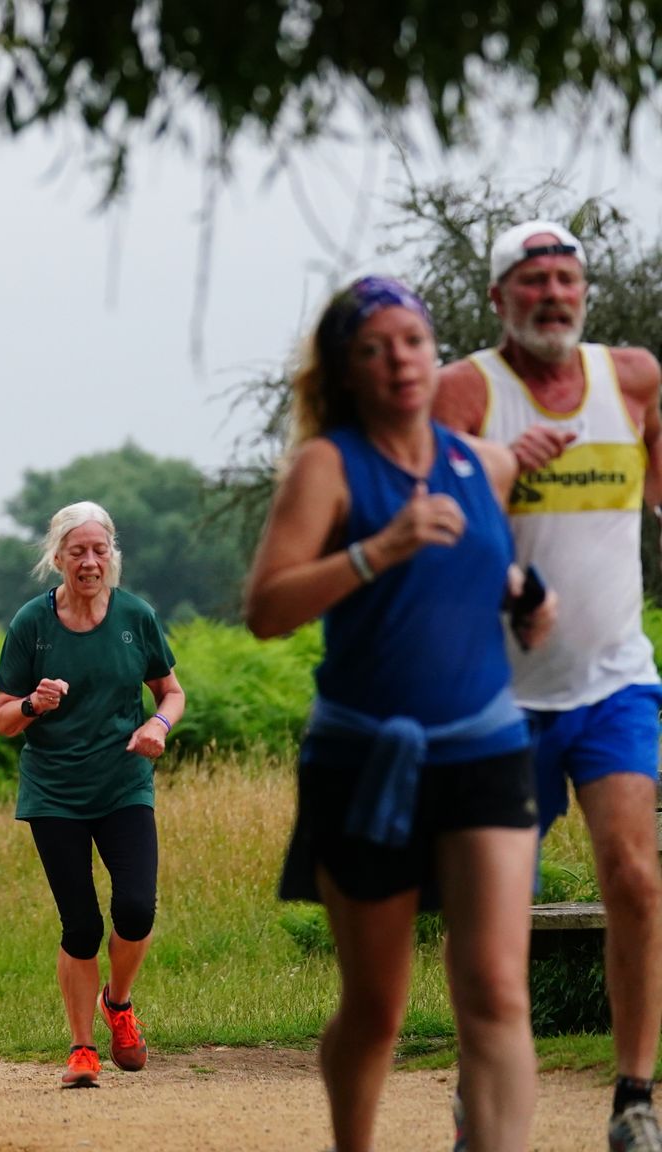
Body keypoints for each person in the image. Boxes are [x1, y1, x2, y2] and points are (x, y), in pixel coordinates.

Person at [247, 276, 550, 1152]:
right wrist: (379, 549)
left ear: (434, 350)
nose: (399, 361)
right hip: (366, 760)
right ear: (348, 371)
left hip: (485, 749)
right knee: (376, 1010)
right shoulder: (328, 467)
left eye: (411, 341)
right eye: (374, 349)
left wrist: (528, 597)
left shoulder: (481, 461)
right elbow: (266, 609)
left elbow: (483, 570)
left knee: (495, 990)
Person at [433, 221, 662, 1151]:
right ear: (499, 300)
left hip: (614, 683)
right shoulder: (465, 391)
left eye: (568, 278)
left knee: (637, 877)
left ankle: (635, 1099)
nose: (554, 294)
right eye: (534, 281)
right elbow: (433, 536)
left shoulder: (636, 379)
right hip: (498, 696)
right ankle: (482, 1077)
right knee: (492, 906)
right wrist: (493, 481)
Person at [0, 501, 185, 1089]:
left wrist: (158, 726)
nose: (90, 561)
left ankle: (118, 1004)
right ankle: (81, 1048)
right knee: (80, 925)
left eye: (100, 550)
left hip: (124, 785)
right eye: (78, 551)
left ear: (112, 557)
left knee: (135, 909)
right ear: (58, 557)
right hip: (55, 793)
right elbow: (1, 718)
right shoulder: (31, 624)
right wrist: (32, 704)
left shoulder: (136, 616)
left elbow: (170, 692)